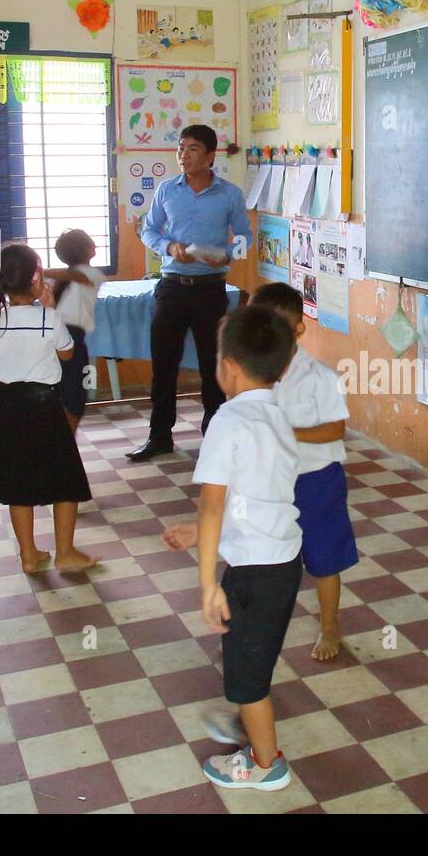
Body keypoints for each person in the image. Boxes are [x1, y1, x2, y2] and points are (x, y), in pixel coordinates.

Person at [162, 305, 303, 791]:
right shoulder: (277, 415)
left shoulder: (227, 421)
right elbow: (253, 497)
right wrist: (198, 531)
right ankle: (247, 721)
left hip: (252, 573)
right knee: (251, 655)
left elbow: (215, 505)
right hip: (283, 560)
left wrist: (207, 584)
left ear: (228, 368)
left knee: (248, 679)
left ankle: (267, 766)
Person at [129, 124, 252, 461]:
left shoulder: (229, 194)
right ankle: (159, 436)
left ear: (211, 155)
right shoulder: (167, 190)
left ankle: (213, 437)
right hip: (171, 288)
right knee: (163, 366)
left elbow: (244, 235)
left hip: (211, 290)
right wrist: (168, 246)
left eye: (193, 149)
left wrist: (231, 253)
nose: (183, 155)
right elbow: (148, 230)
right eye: (180, 148)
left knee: (213, 366)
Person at [0, 243, 98, 574]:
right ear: (35, 281)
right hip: (44, 406)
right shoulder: (49, 318)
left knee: (17, 484)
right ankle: (66, 552)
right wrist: (52, 308)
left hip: (7, 406)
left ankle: (29, 555)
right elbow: (68, 355)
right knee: (65, 480)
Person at [251, 282, 359, 661]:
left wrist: (287, 433)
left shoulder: (319, 376)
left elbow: (335, 429)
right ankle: (259, 628)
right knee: (268, 558)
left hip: (317, 481)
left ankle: (330, 626)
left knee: (323, 559)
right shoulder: (254, 373)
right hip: (271, 481)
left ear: (299, 329)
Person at [42, 229, 105, 433]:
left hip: (66, 337)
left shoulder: (88, 275)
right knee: (72, 394)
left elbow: (77, 276)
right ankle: (65, 442)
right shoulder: (61, 279)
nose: (94, 245)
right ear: (84, 250)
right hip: (65, 337)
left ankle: (64, 442)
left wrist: (40, 270)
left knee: (72, 392)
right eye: (90, 243)